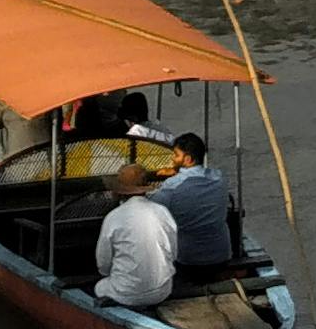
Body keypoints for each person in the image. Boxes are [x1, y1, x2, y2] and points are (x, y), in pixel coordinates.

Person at [91, 158, 179, 315]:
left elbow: (103, 265)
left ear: (119, 192)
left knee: (100, 287)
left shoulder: (113, 217)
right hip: (162, 291)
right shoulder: (162, 212)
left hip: (127, 293)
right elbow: (173, 254)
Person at [154, 129, 237, 284]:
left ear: (188, 159)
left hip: (188, 260)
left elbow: (150, 207)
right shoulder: (219, 178)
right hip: (221, 256)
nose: (173, 159)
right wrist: (177, 172)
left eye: (176, 155)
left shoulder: (171, 187)